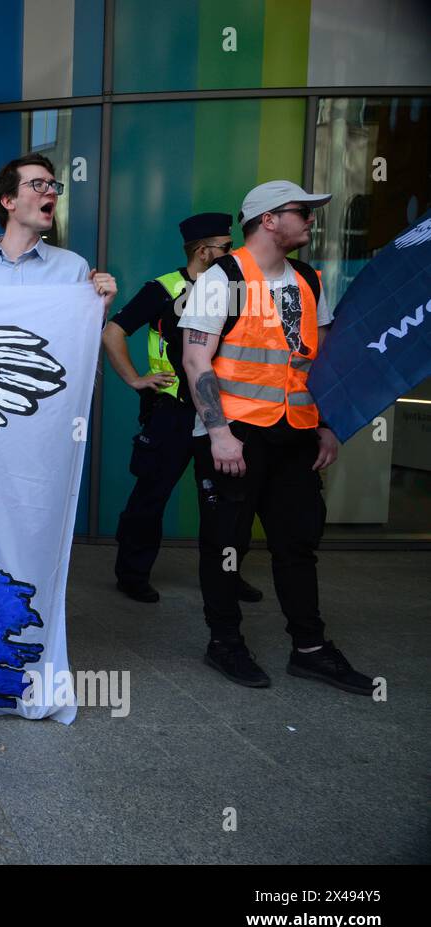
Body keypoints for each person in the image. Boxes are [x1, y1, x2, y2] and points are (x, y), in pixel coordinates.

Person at [179, 180, 372, 694]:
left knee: (298, 543)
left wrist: (327, 423)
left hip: (297, 433)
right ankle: (224, 643)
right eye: (301, 212)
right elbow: (195, 357)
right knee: (225, 543)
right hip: (235, 434)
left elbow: (321, 362)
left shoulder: (309, 280)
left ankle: (310, 649)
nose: (310, 220)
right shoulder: (224, 276)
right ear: (268, 219)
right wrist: (219, 434)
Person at [104, 212, 262, 604]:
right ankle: (132, 574)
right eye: (226, 247)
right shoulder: (165, 288)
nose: (232, 253)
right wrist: (134, 378)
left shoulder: (235, 288)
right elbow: (113, 331)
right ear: (204, 250)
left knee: (229, 503)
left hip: (221, 415)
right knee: (150, 496)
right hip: (172, 412)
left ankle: (228, 575)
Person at [0, 152, 117, 306]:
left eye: (52, 185)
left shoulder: (74, 268)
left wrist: (102, 307)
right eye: (38, 184)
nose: (51, 192)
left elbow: (79, 337)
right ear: (8, 201)